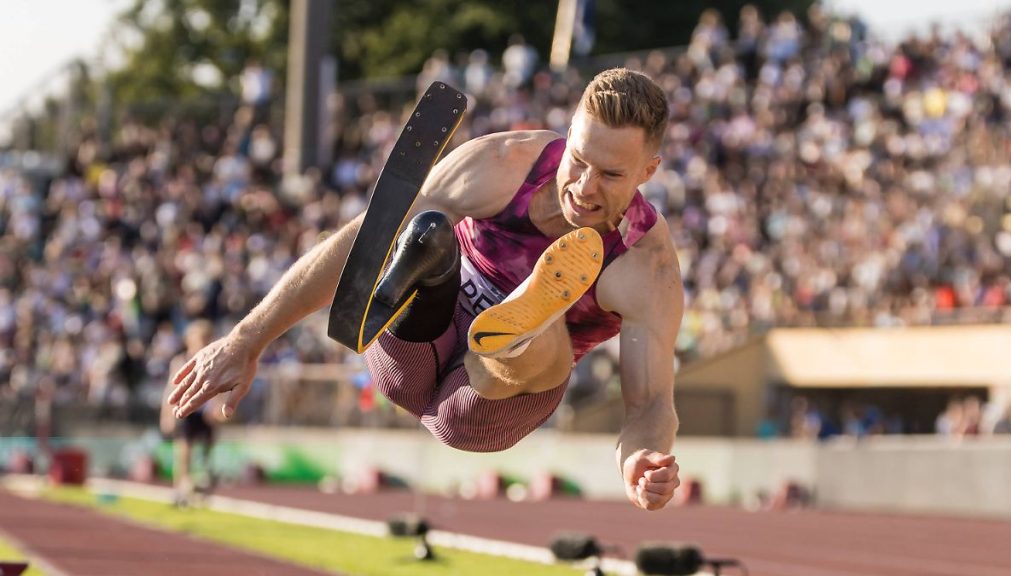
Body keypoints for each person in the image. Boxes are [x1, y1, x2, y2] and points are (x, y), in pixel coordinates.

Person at [168, 68, 684, 511]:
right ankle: (430, 261)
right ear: (568, 132)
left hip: (490, 397)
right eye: (579, 159)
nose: (585, 186)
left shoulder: (645, 264)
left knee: (530, 350)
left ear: (648, 171)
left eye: (611, 174)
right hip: (421, 343)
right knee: (409, 238)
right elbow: (360, 242)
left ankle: (517, 317)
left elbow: (651, 405)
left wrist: (640, 458)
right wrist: (245, 339)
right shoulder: (504, 163)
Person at [160, 319, 222, 506]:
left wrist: (218, 409)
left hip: (206, 413)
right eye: (199, 338)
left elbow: (220, 388)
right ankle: (180, 490)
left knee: (206, 453)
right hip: (186, 411)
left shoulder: (216, 360)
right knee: (184, 452)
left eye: (206, 338)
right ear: (189, 340)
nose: (202, 342)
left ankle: (203, 488)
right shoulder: (181, 361)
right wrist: (167, 414)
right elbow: (170, 389)